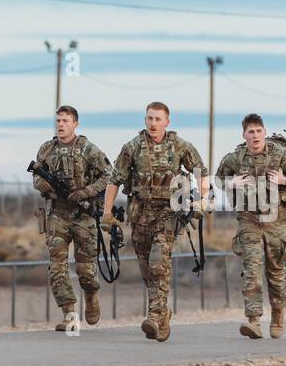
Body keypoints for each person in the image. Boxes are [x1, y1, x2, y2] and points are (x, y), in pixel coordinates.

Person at [102, 102, 209, 342]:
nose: (153, 123)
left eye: (158, 119)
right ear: (145, 120)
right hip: (140, 213)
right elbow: (115, 179)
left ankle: (154, 314)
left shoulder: (181, 146)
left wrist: (201, 200)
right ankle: (163, 313)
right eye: (149, 118)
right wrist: (106, 213)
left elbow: (201, 171)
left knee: (158, 261)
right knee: (145, 268)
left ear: (167, 122)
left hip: (168, 212)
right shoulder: (132, 147)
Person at [214, 114, 286, 339]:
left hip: (276, 220)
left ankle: (277, 313)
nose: (255, 135)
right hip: (249, 219)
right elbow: (218, 179)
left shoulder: (282, 155)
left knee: (276, 272)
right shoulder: (235, 158)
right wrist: (230, 182)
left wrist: (285, 181)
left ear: (264, 132)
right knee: (252, 270)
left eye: (258, 131)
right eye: (250, 132)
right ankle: (254, 321)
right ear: (244, 134)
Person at [32, 105, 111, 331]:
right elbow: (36, 176)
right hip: (57, 213)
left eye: (65, 121)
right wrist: (43, 185)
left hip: (83, 215)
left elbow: (108, 175)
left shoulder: (88, 149)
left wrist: (85, 193)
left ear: (75, 123)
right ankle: (69, 314)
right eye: (58, 120)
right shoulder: (47, 150)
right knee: (57, 267)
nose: (61, 125)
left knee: (85, 269)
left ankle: (91, 295)